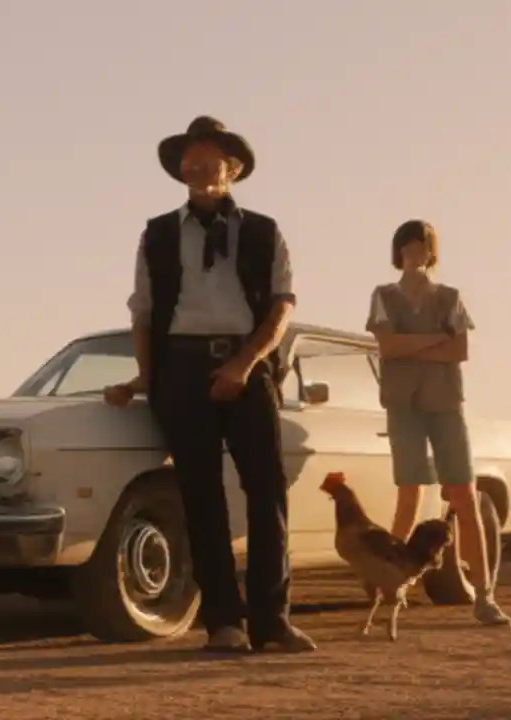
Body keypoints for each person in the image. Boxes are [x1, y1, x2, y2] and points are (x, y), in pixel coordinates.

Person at [103, 116, 316, 653]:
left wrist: (243, 365)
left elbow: (282, 305)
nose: (197, 169)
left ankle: (273, 620)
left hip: (248, 365)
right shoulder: (157, 233)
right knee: (200, 497)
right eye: (188, 161)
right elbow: (144, 311)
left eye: (209, 159)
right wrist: (145, 379)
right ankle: (224, 622)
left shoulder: (264, 230)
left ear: (234, 168)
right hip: (181, 370)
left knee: (267, 492)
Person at [364, 219, 511, 627]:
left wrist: (410, 347)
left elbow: (460, 349)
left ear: (432, 253)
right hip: (403, 406)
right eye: (407, 246)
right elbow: (387, 346)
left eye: (422, 246)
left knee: (465, 496)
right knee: (408, 496)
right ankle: (392, 587)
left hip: (445, 404)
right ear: (398, 252)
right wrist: (434, 340)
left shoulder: (450, 297)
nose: (414, 253)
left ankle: (484, 595)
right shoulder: (383, 297)